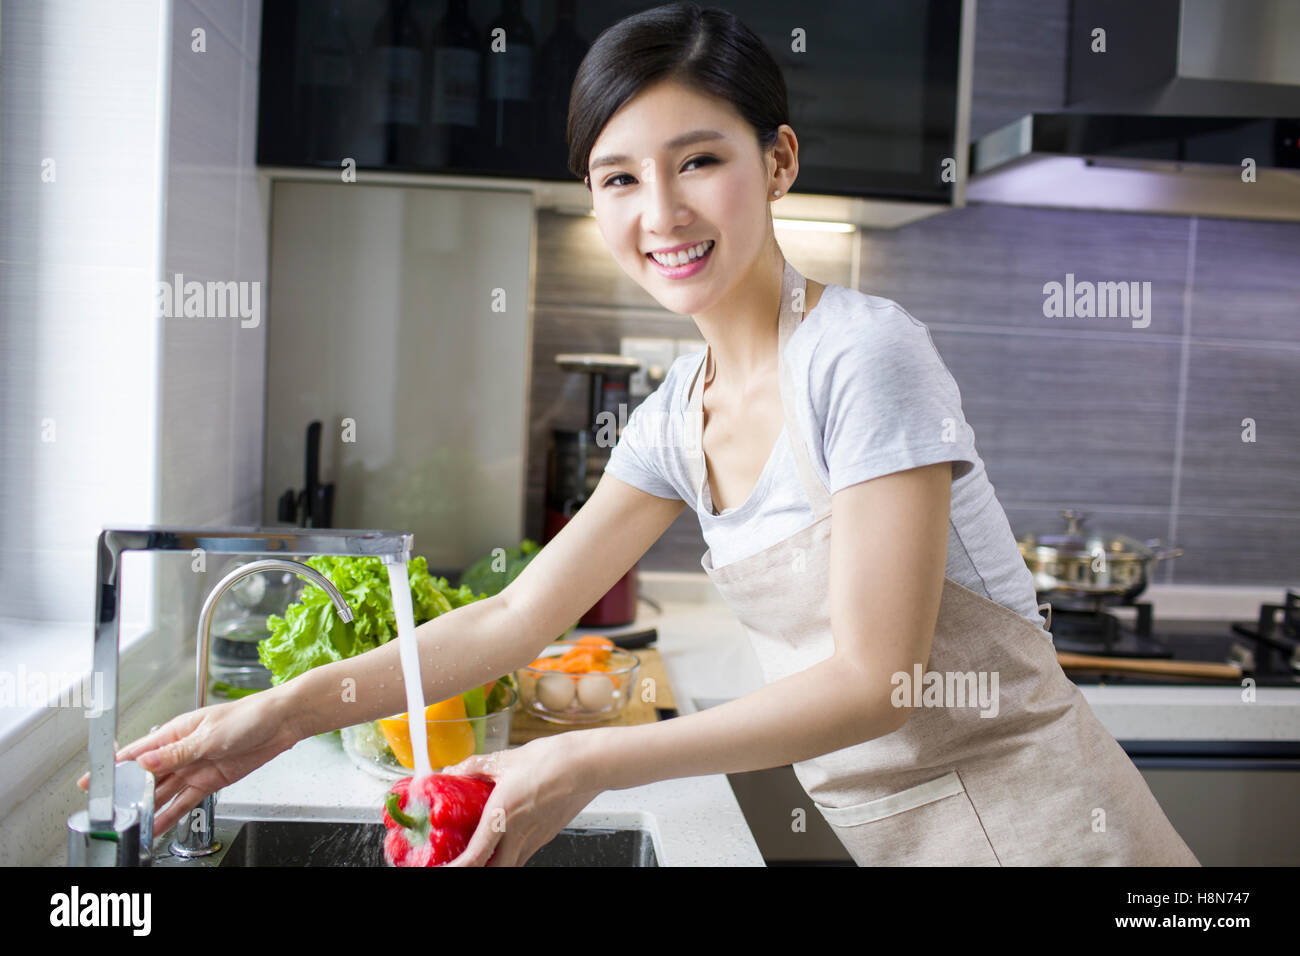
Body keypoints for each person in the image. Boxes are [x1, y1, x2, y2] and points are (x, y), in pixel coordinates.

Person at [80, 2, 1199, 867]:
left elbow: (879, 679)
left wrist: (585, 757)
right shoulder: (677, 411)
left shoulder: (864, 354)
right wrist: (272, 716)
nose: (658, 213)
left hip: (1058, 830)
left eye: (697, 160)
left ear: (778, 161)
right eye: (618, 177)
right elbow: (517, 613)